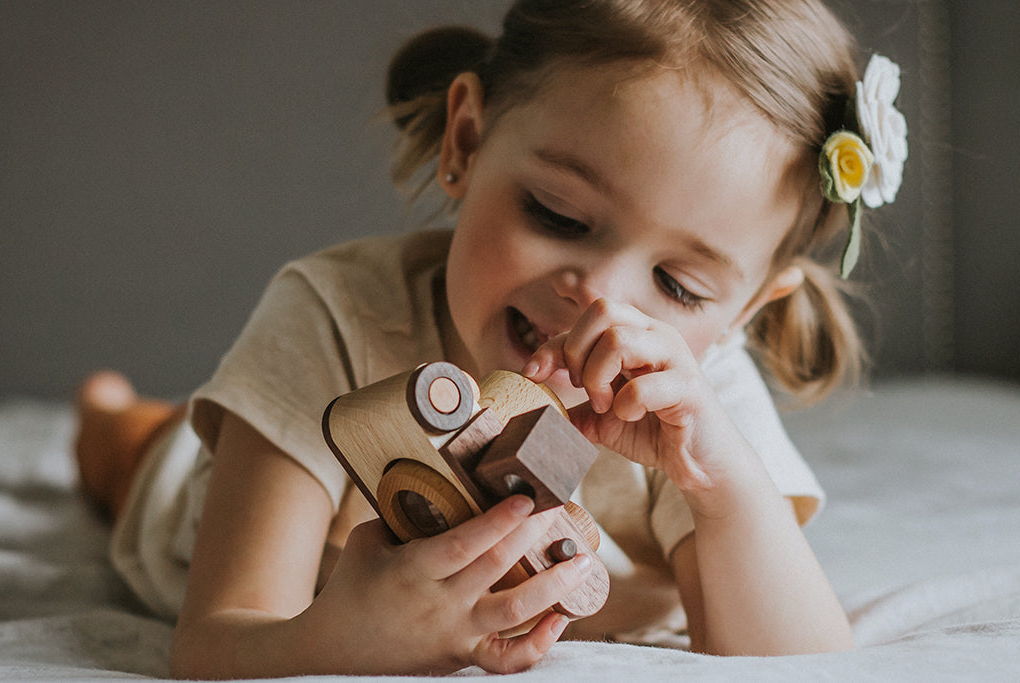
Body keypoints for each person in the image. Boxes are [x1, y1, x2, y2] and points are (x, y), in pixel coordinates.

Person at [75, 0, 907, 676]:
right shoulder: (335, 315)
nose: (603, 301)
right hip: (198, 504)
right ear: (465, 141)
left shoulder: (697, 398)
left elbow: (802, 663)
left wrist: (718, 485)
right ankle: (110, 418)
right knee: (139, 453)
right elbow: (215, 643)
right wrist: (336, 640)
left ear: (749, 308)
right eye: (559, 216)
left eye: (680, 285)